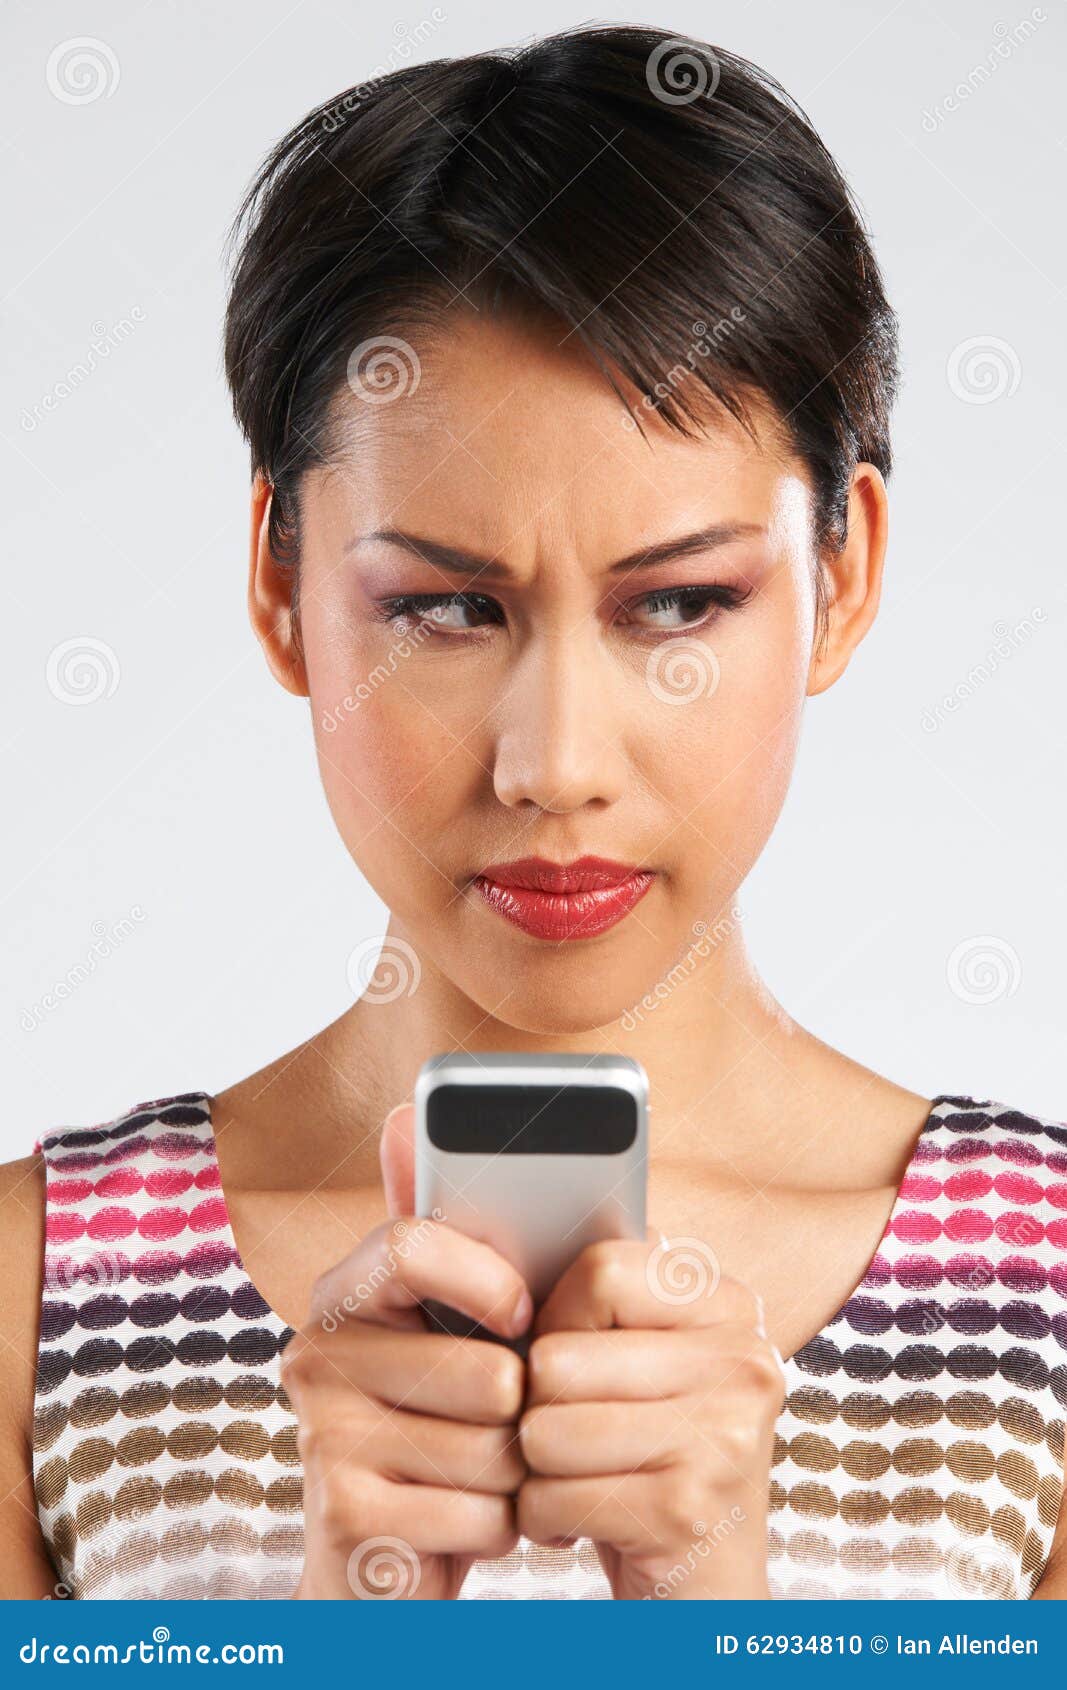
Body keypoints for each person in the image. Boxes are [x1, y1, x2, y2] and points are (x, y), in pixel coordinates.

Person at [2, 23, 1064, 1602]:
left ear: (842, 578)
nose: (552, 764)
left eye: (682, 602)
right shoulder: (35, 1296)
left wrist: (715, 1605)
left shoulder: (1044, 1302)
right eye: (444, 609)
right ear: (283, 589)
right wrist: (349, 1624)